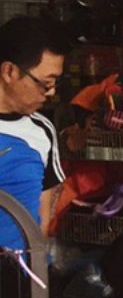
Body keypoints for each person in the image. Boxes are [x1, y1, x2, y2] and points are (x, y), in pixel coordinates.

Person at [0, 16, 71, 248]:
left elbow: (44, 207)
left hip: (22, 267)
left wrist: (38, 261)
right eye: (45, 83)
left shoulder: (42, 131)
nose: (50, 92)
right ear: (9, 71)